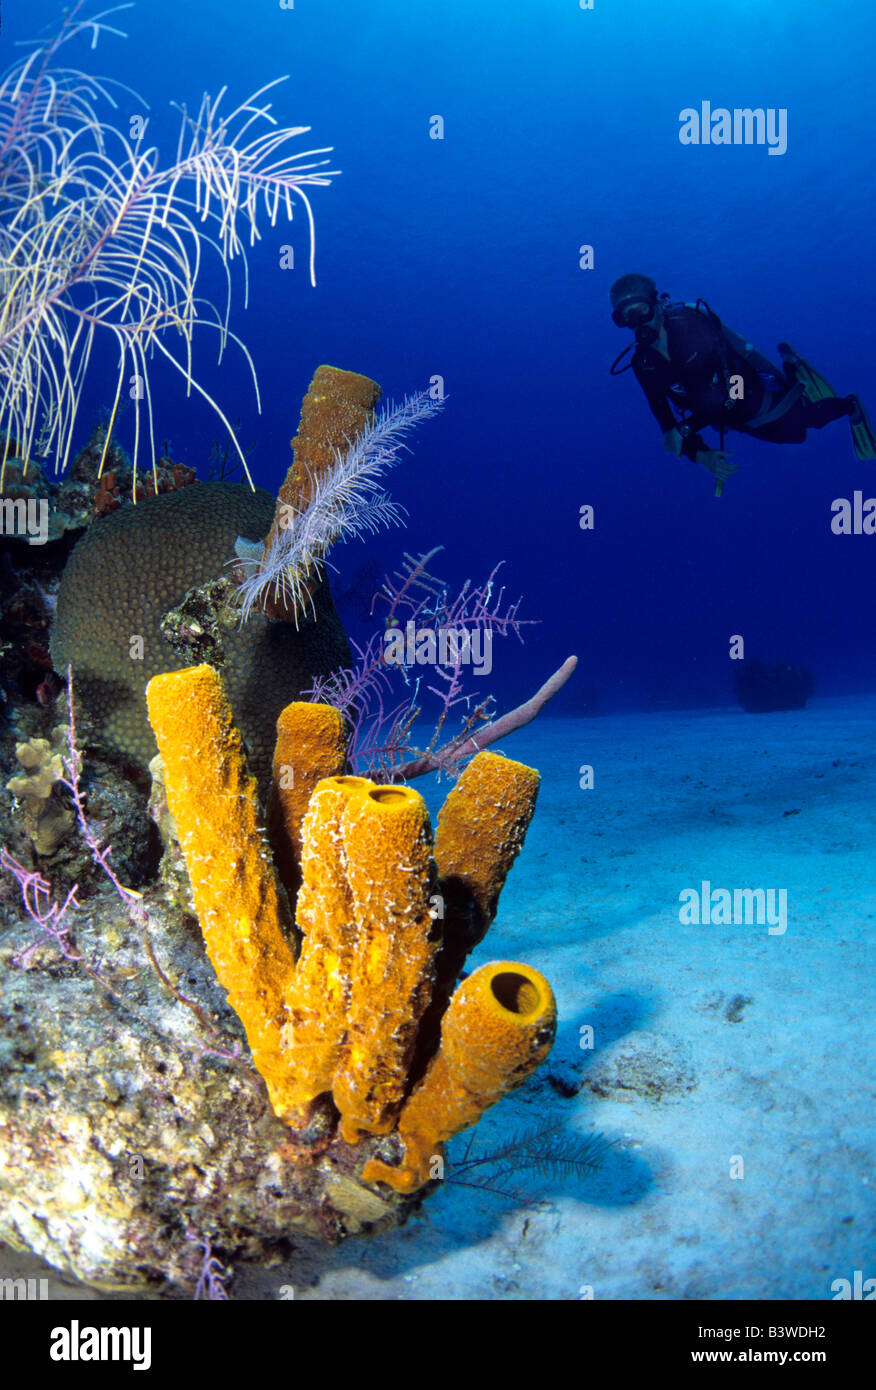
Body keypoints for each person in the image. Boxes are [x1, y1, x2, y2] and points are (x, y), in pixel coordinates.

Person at [609, 273, 876, 494]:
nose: (636, 323)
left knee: (804, 426)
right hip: (732, 419)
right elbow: (668, 428)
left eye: (641, 311)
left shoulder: (692, 327)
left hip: (757, 400)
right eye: (626, 317)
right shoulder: (643, 365)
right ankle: (792, 366)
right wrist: (703, 456)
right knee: (790, 437)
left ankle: (842, 400)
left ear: (656, 304)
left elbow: (735, 375)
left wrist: (693, 424)